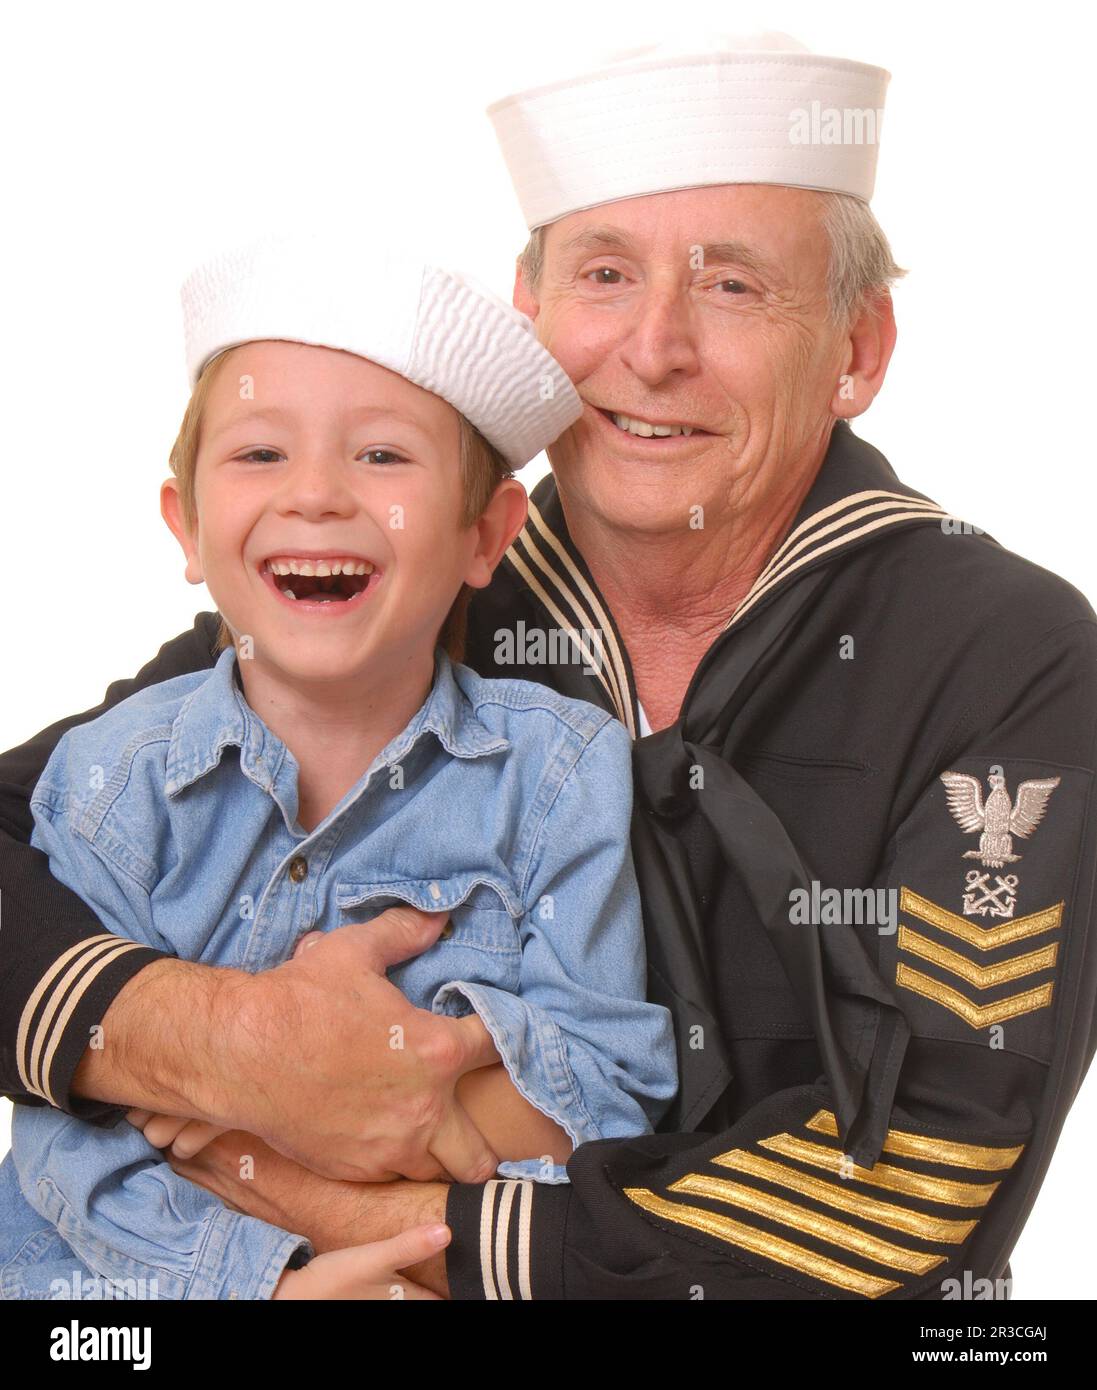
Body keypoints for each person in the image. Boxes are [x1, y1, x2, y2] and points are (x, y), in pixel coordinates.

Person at [2, 32, 1096, 1300]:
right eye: (603, 276)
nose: (652, 348)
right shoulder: (408, 584)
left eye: (732, 286)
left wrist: (381, 1225)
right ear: (531, 322)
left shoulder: (1003, 653)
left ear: (857, 346)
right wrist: (223, 1045)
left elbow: (929, 1168)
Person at [0, 234, 675, 1299]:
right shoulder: (105, 779)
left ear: (485, 534)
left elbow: (610, 1077)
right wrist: (264, 1283)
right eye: (260, 453)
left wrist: (397, 1114)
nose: (314, 494)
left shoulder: (557, 770)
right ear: (185, 525)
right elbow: (63, 1133)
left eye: (381, 456)